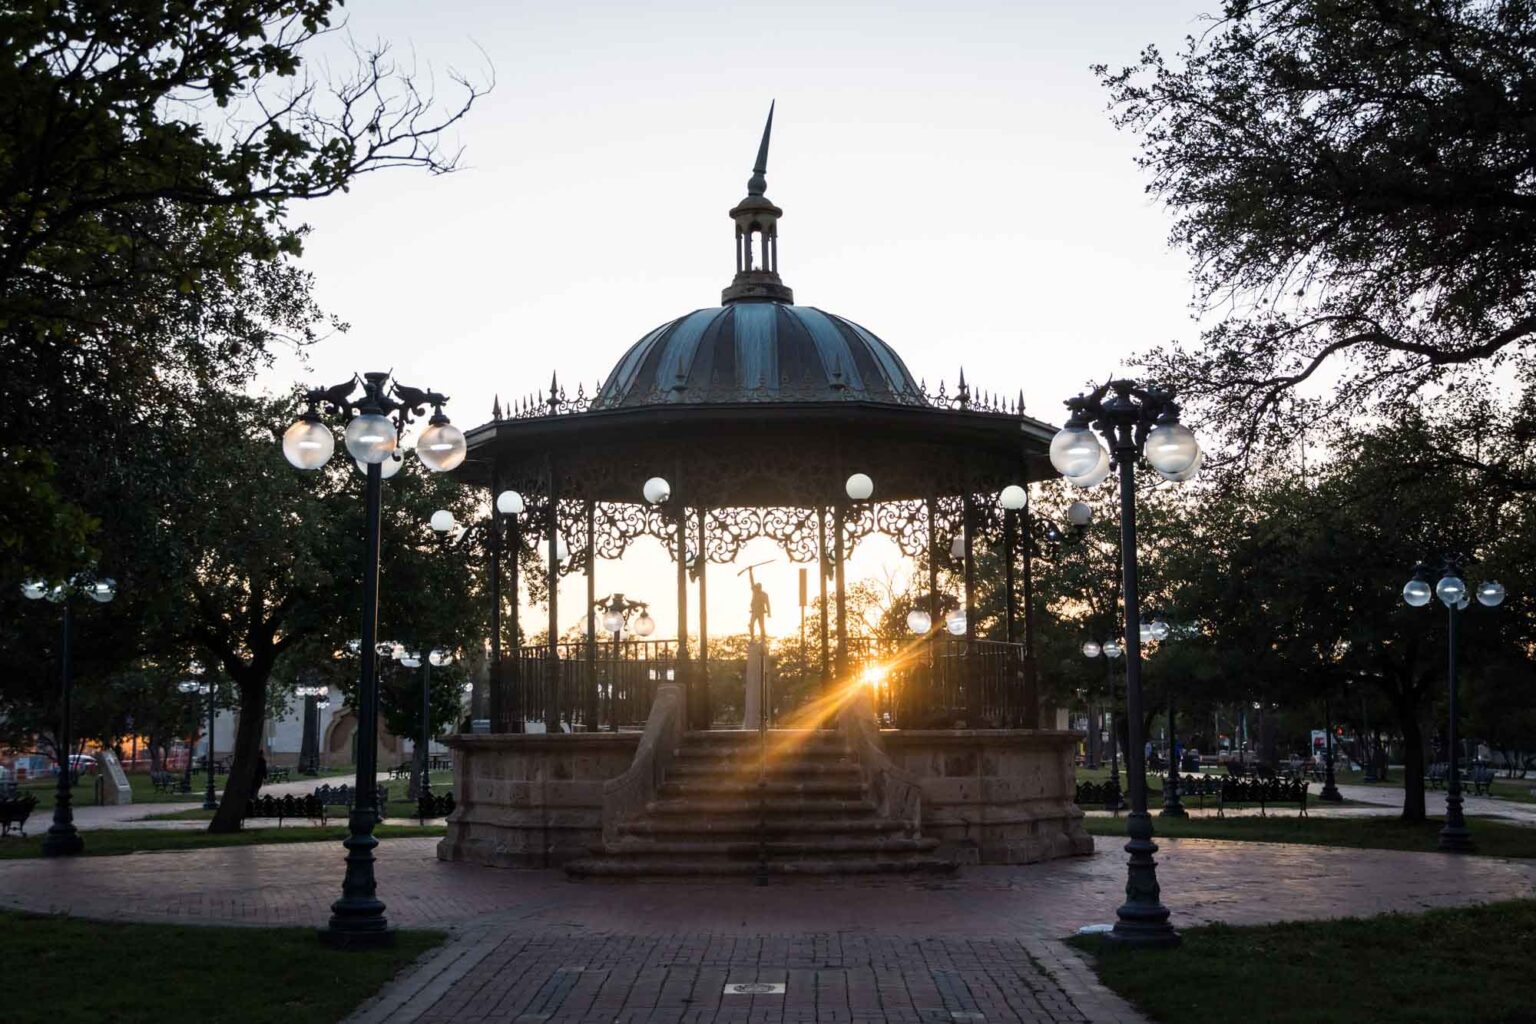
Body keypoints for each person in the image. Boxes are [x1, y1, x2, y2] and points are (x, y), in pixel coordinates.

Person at [747, 567, 771, 641]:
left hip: (760, 612)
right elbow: (751, 581)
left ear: (760, 588)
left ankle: (763, 639)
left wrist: (769, 613)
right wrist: (750, 571)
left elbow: (768, 604)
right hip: (754, 611)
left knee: (762, 626)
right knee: (751, 625)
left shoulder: (764, 595)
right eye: (755, 588)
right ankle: (752, 638)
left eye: (757, 588)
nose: (756, 589)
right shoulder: (754, 592)